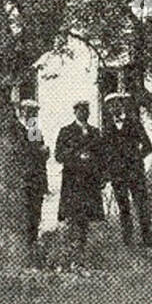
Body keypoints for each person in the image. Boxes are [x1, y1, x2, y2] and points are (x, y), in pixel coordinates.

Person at [100, 93, 152, 247]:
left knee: (142, 206)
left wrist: (136, 159)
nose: (114, 108)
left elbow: (148, 146)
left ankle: (148, 241)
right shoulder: (108, 128)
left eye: (116, 104)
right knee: (123, 208)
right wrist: (108, 170)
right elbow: (105, 152)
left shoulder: (134, 123)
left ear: (122, 105)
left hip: (135, 172)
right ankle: (128, 242)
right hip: (118, 175)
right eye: (110, 106)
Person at [55, 101, 102, 251]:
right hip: (73, 180)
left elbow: (102, 154)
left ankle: (85, 246)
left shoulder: (94, 132)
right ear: (74, 112)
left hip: (90, 180)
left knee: (87, 214)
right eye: (80, 110)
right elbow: (59, 155)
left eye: (86, 111)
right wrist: (76, 155)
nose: (84, 113)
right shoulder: (66, 131)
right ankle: (71, 247)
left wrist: (99, 172)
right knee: (72, 213)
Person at [18, 99, 50, 247]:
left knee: (35, 211)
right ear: (22, 112)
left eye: (34, 113)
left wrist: (44, 152)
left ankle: (32, 242)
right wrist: (40, 151)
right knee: (23, 211)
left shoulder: (34, 129)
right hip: (22, 177)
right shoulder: (17, 129)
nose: (32, 115)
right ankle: (24, 243)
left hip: (36, 177)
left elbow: (37, 151)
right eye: (29, 112)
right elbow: (25, 152)